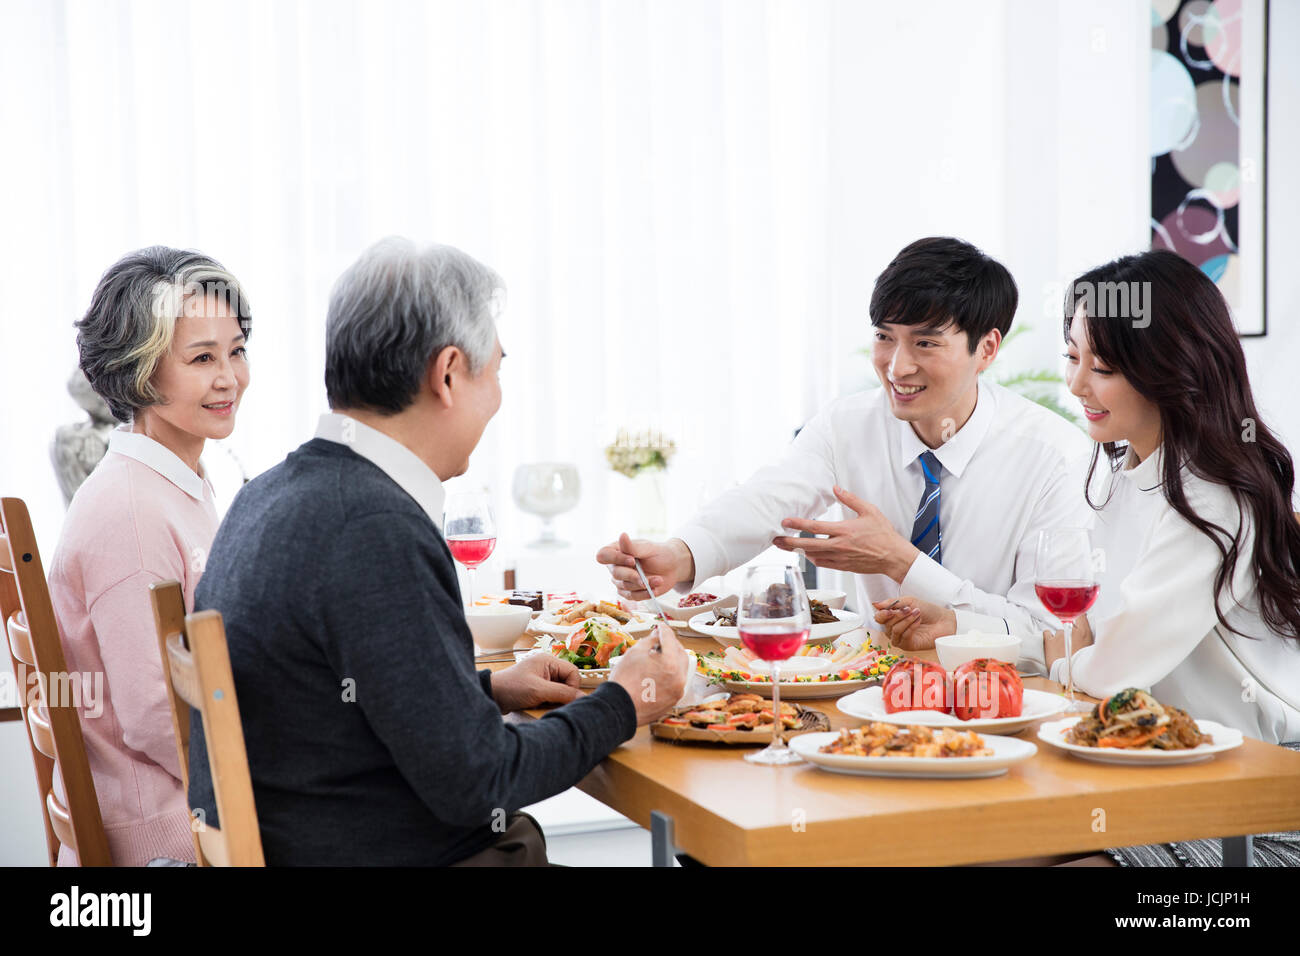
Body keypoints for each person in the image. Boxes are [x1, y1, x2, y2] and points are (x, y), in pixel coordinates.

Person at [187, 237, 687, 866]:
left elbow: (329, 709)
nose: (500, 396)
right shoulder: (370, 527)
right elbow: (479, 781)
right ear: (448, 373)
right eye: (496, 369)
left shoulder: (269, 495)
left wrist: (483, 691)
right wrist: (627, 699)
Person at [882, 249, 1300, 865]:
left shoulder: (1215, 498)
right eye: (1074, 359)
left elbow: (1108, 672)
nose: (1076, 386)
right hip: (1146, 765)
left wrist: (1073, 650)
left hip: (1254, 799)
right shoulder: (1119, 472)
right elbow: (1073, 637)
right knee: (943, 846)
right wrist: (973, 630)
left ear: (1168, 366)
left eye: (1101, 367)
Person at [598, 237, 1090, 672]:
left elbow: (1052, 636)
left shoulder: (1054, 457)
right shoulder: (847, 425)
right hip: (868, 696)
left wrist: (903, 563)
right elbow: (767, 500)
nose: (897, 366)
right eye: (884, 337)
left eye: (925, 342)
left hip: (1008, 710)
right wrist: (679, 555)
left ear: (986, 349)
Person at [47, 247, 253, 866]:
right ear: (140, 373)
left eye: (236, 350)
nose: (229, 378)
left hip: (185, 812)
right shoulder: (132, 512)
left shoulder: (169, 481)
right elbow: (156, 717)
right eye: (202, 359)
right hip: (173, 841)